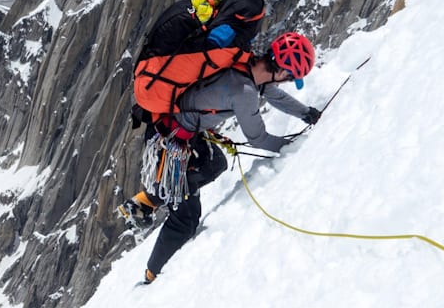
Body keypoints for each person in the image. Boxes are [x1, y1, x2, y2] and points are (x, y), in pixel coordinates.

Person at [122, 31, 321, 284]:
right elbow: (258, 138)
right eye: (290, 78)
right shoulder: (245, 91)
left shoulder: (246, 63)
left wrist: (307, 114)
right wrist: (293, 146)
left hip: (180, 130)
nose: (286, 83)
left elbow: (274, 95)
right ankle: (151, 276)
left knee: (215, 163)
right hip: (172, 141)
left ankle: (148, 200)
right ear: (282, 72)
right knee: (186, 219)